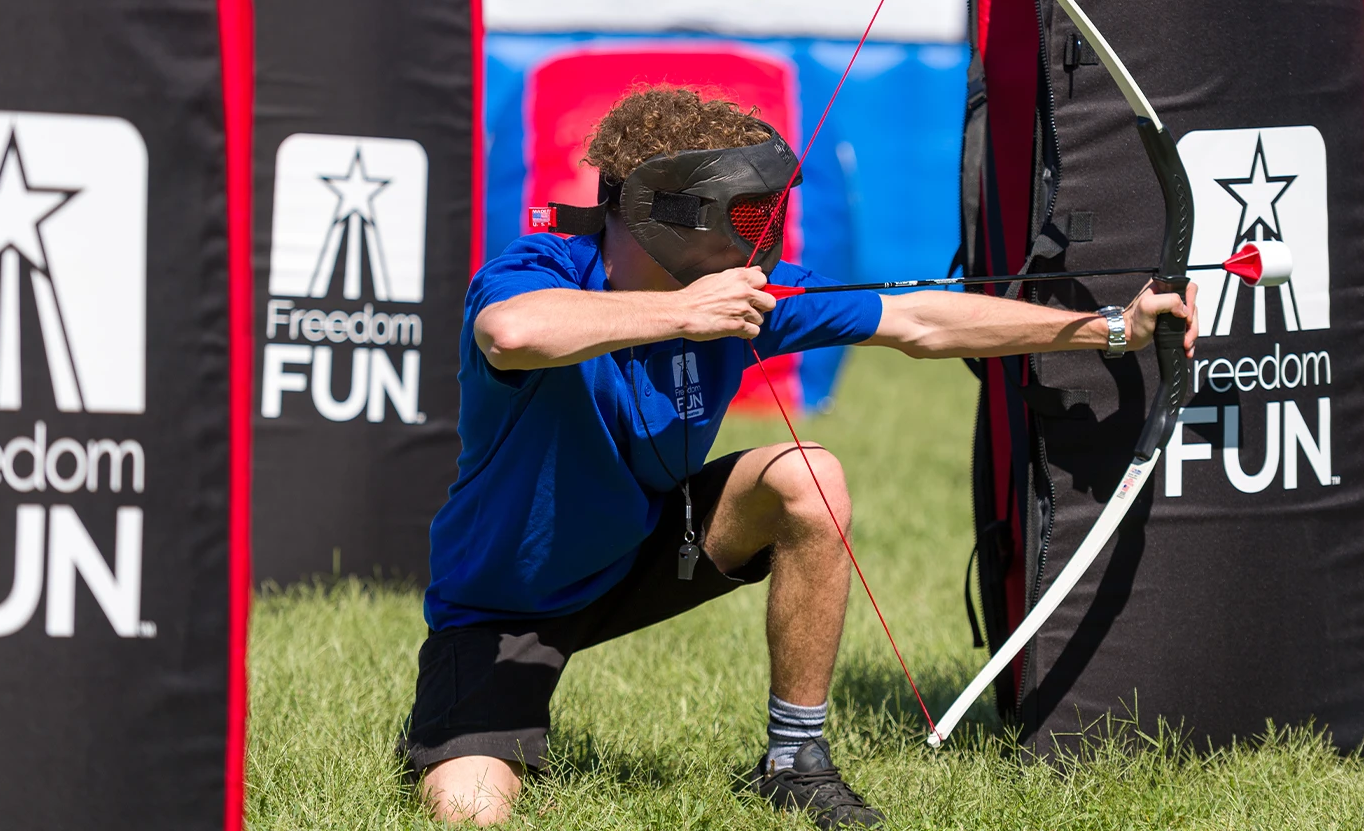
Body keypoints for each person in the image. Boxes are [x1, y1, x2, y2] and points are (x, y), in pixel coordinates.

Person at [406, 86, 1198, 827]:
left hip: (650, 549)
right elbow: (511, 332)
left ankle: (794, 760)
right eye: (742, 213)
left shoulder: (743, 289)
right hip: (503, 603)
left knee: (807, 475)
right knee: (471, 811)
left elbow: (918, 320)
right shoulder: (542, 268)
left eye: (767, 211)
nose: (761, 232)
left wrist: (1110, 328)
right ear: (665, 211)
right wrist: (681, 314)